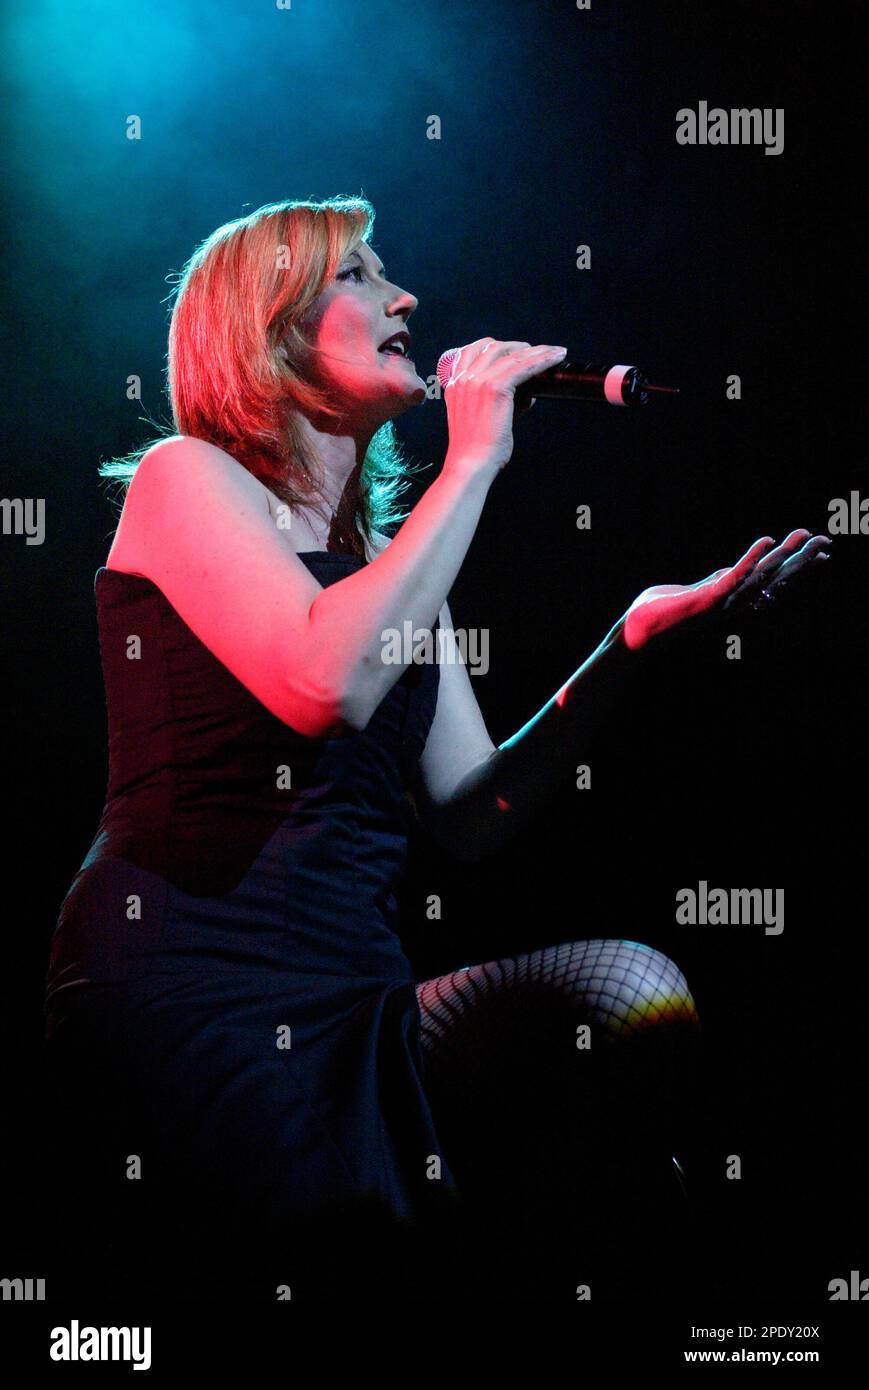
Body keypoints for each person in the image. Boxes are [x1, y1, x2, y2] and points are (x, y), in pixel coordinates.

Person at [43, 196, 830, 1304]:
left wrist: (628, 642)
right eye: (358, 276)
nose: (404, 294)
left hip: (357, 992)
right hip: (193, 982)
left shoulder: (392, 570)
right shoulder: (187, 480)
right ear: (266, 330)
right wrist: (472, 461)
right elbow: (321, 681)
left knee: (625, 1012)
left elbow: (468, 812)